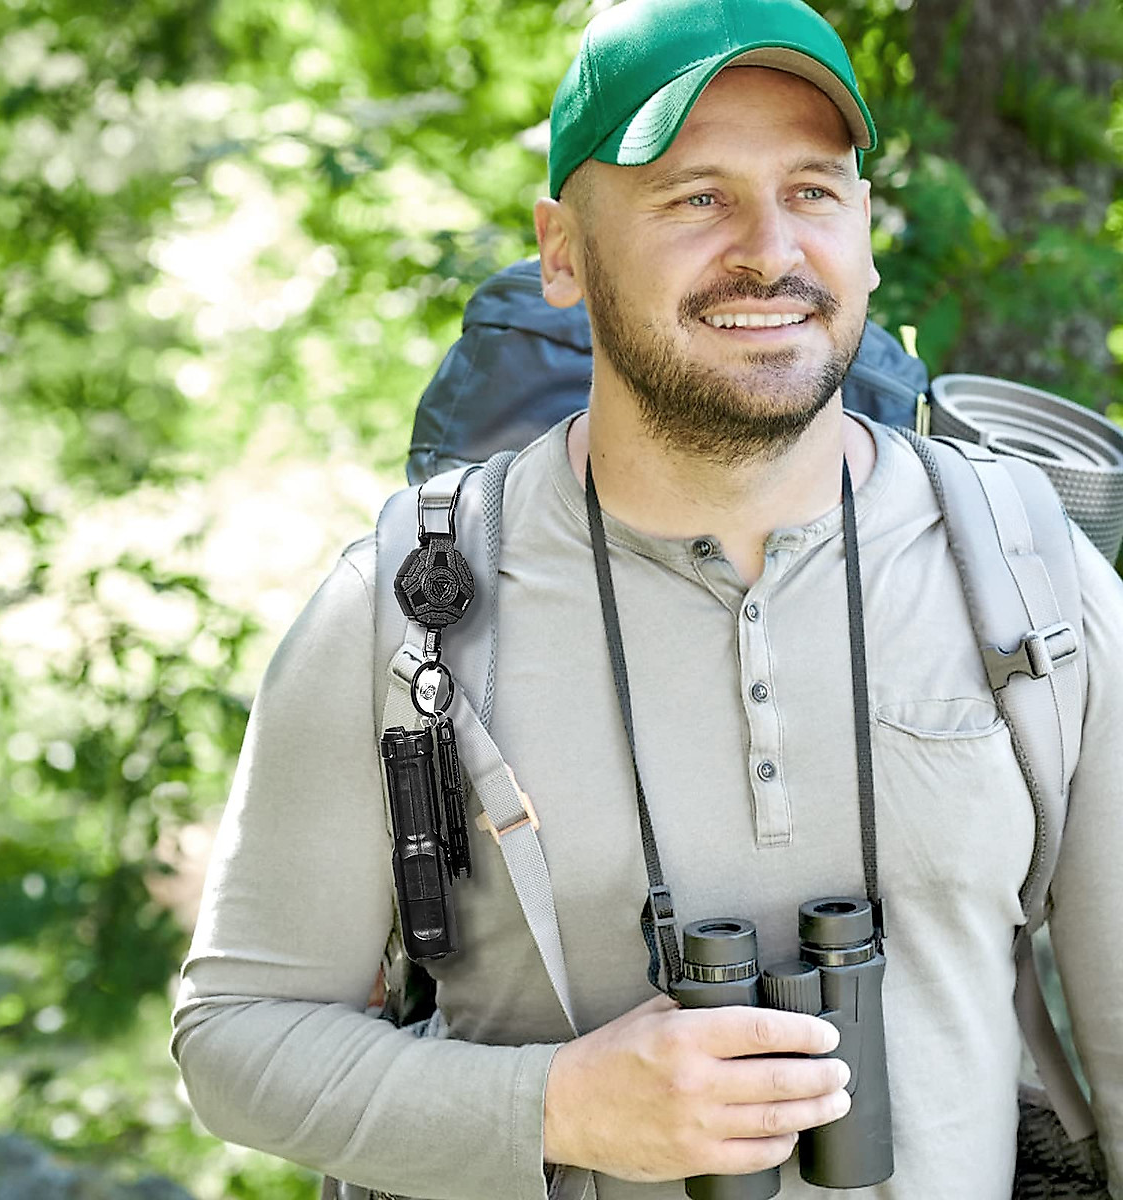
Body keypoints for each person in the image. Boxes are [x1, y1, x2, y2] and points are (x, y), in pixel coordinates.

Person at [171, 1, 1123, 1197]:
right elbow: (236, 1040)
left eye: (815, 190)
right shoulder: (402, 612)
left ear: (869, 233)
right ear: (562, 250)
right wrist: (556, 1106)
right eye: (696, 196)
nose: (770, 249)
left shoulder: (1031, 570)